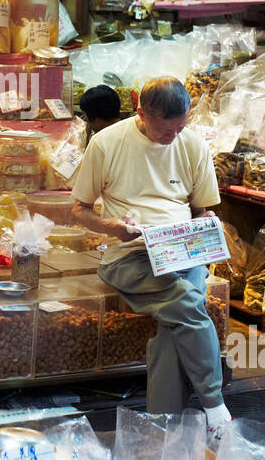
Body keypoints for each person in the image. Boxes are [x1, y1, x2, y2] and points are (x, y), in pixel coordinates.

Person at [71, 76, 230, 435]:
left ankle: (163, 427)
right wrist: (113, 227)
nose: (173, 136)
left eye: (180, 127)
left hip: (181, 252)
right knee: (189, 304)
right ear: (140, 111)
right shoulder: (107, 143)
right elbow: (78, 211)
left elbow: (200, 209)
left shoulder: (192, 144)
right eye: (164, 130)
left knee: (172, 326)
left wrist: (207, 225)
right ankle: (214, 405)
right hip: (130, 255)